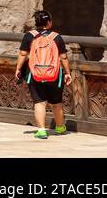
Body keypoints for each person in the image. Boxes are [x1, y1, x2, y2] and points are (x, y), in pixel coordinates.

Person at [15, 9, 69, 139]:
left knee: (40, 103)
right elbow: (63, 57)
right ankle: (60, 127)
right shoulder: (56, 37)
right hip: (54, 74)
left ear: (36, 22)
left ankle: (41, 130)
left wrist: (18, 69)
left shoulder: (29, 36)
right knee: (56, 103)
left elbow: (23, 54)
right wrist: (67, 72)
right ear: (49, 23)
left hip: (35, 74)